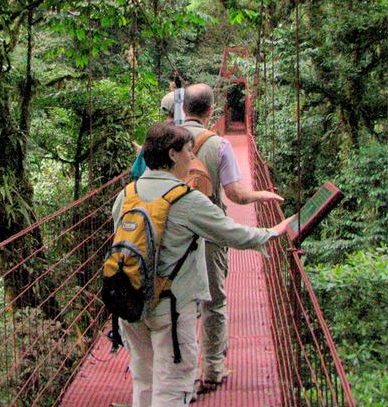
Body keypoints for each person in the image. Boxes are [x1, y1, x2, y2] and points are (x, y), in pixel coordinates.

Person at [112, 123, 293, 407]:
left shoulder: (127, 193)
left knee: (144, 382)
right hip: (170, 308)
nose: (192, 160)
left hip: (129, 303)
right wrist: (272, 232)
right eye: (188, 152)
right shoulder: (187, 199)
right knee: (174, 386)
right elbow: (232, 233)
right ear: (173, 155)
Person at [180, 83, 283, 393]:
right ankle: (212, 368)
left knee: (177, 301)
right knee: (214, 300)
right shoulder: (219, 145)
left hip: (171, 230)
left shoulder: (164, 140)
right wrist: (260, 194)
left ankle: (179, 372)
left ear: (183, 109)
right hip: (210, 233)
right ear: (212, 111)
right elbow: (235, 195)